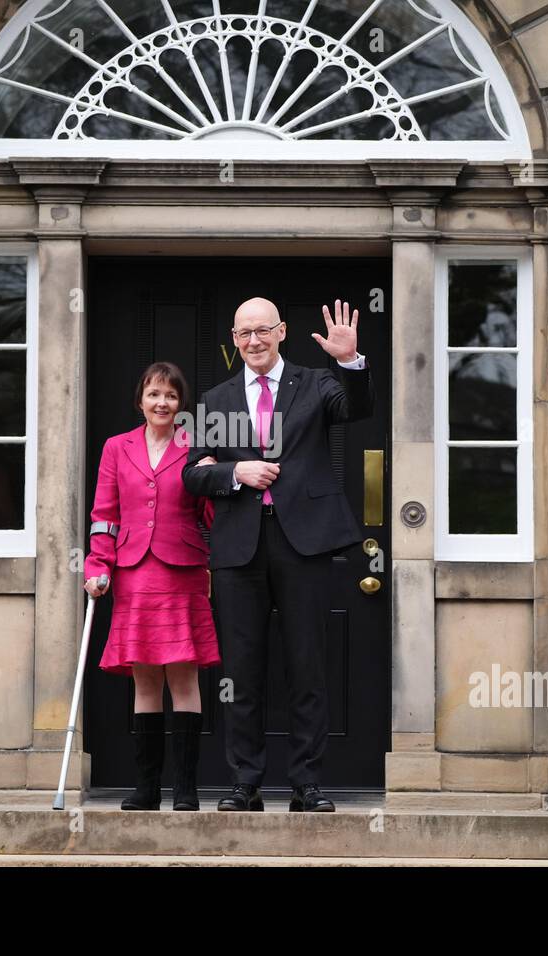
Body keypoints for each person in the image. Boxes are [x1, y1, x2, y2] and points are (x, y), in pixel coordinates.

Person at [181, 297, 373, 812]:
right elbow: (192, 473)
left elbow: (355, 409)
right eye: (244, 334)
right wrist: (234, 472)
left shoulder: (314, 384)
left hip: (303, 541)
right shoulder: (216, 398)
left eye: (263, 331)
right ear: (234, 338)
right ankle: (245, 784)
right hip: (240, 547)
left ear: (282, 331)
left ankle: (306, 784)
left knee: (307, 666)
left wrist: (350, 362)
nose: (253, 342)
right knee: (241, 672)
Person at [84, 361, 220, 811]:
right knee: (144, 680)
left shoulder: (196, 446)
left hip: (183, 570)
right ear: (140, 399)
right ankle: (146, 789)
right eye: (154, 394)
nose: (162, 403)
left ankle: (185, 790)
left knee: (183, 676)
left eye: (171, 396)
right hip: (134, 571)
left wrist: (216, 478)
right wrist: (96, 564)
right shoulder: (115, 448)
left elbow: (211, 516)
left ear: (181, 404)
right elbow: (105, 513)